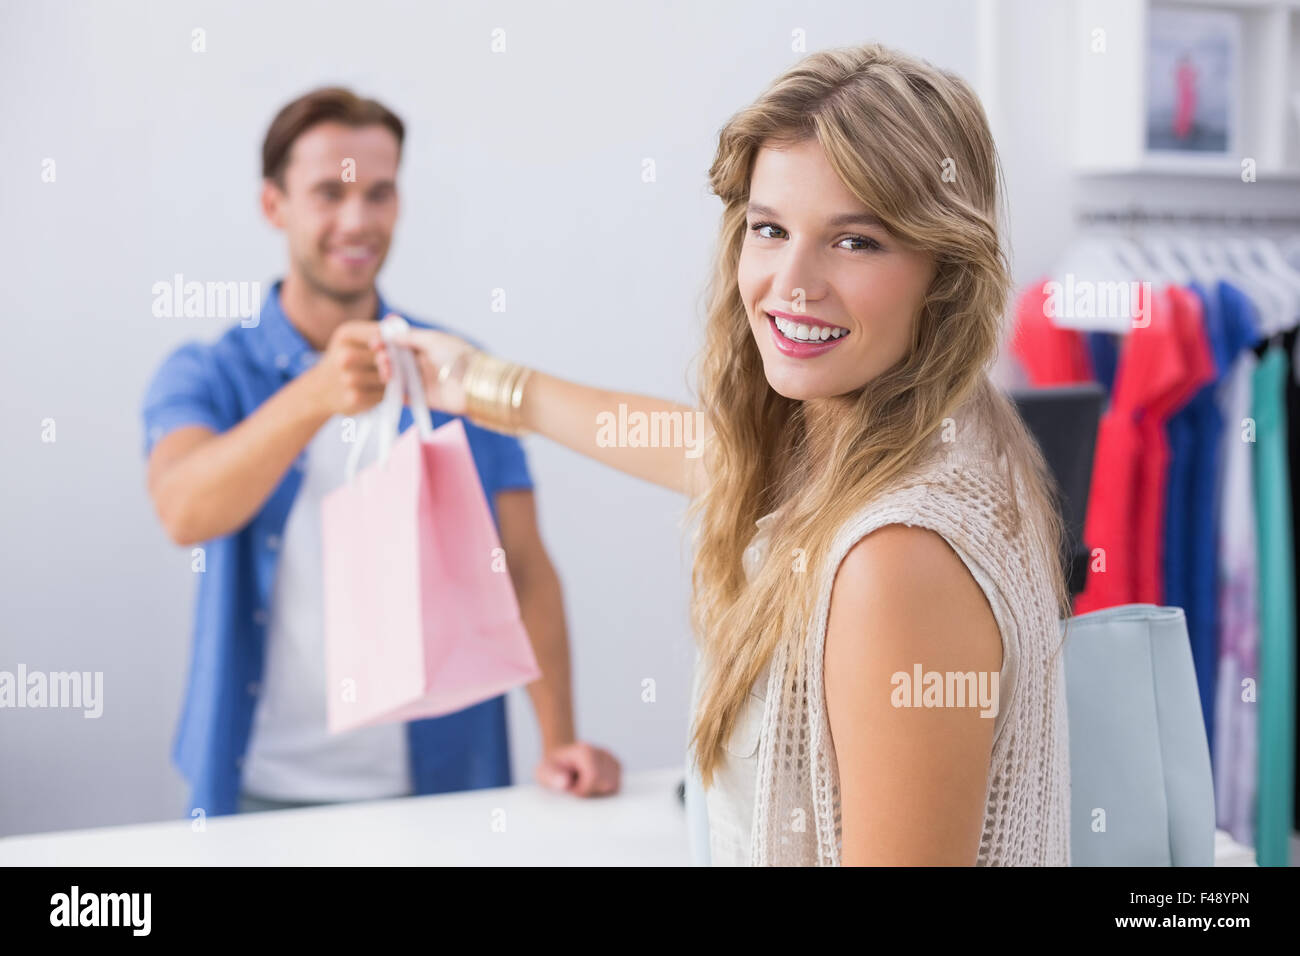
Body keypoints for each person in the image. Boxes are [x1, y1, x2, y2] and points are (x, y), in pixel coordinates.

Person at [379, 43, 1073, 866]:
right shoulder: (922, 437)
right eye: (769, 229)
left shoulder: (894, 558)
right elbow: (712, 454)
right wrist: (481, 383)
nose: (792, 283)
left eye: (855, 242)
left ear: (945, 268)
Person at [141, 87, 619, 819]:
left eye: (379, 192)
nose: (358, 220)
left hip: (442, 792)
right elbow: (183, 509)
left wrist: (558, 740)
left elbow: (522, 568)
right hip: (258, 790)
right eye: (329, 193)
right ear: (274, 205)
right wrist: (314, 394)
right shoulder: (205, 373)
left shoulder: (454, 368)